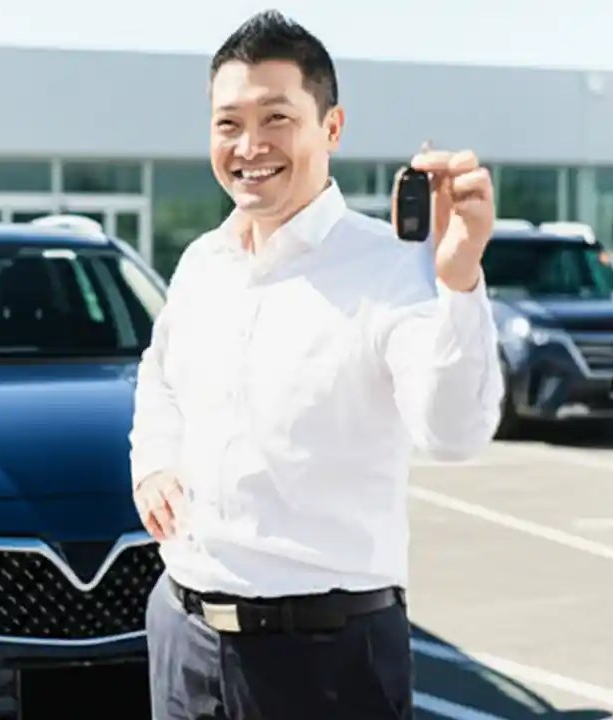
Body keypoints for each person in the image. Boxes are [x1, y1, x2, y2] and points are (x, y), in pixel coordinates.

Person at [128, 9, 504, 719]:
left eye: (277, 118)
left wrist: (458, 280)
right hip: (184, 639)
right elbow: (161, 375)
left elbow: (454, 433)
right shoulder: (203, 263)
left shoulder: (393, 266)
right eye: (228, 123)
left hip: (326, 660)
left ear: (331, 128)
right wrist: (153, 461)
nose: (250, 146)